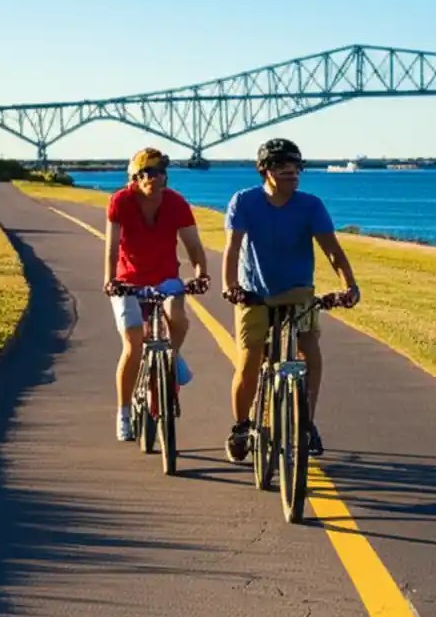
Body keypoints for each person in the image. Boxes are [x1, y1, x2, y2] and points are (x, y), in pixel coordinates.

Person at [221, 138, 360, 462]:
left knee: (309, 348)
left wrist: (349, 286)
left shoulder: (310, 205)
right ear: (265, 170)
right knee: (250, 356)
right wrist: (231, 286)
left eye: (296, 166)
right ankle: (242, 426)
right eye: (282, 165)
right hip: (253, 292)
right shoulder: (244, 201)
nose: (291, 171)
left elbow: (333, 251)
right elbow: (231, 248)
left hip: (298, 290)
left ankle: (306, 421)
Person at [103, 147, 210, 441]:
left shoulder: (176, 203)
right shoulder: (121, 201)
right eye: (147, 172)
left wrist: (201, 274)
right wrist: (110, 280)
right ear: (135, 178)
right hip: (128, 280)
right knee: (133, 340)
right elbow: (112, 248)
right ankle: (123, 412)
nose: (154, 177)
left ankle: (171, 358)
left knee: (179, 318)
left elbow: (194, 247)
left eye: (160, 171)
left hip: (165, 279)